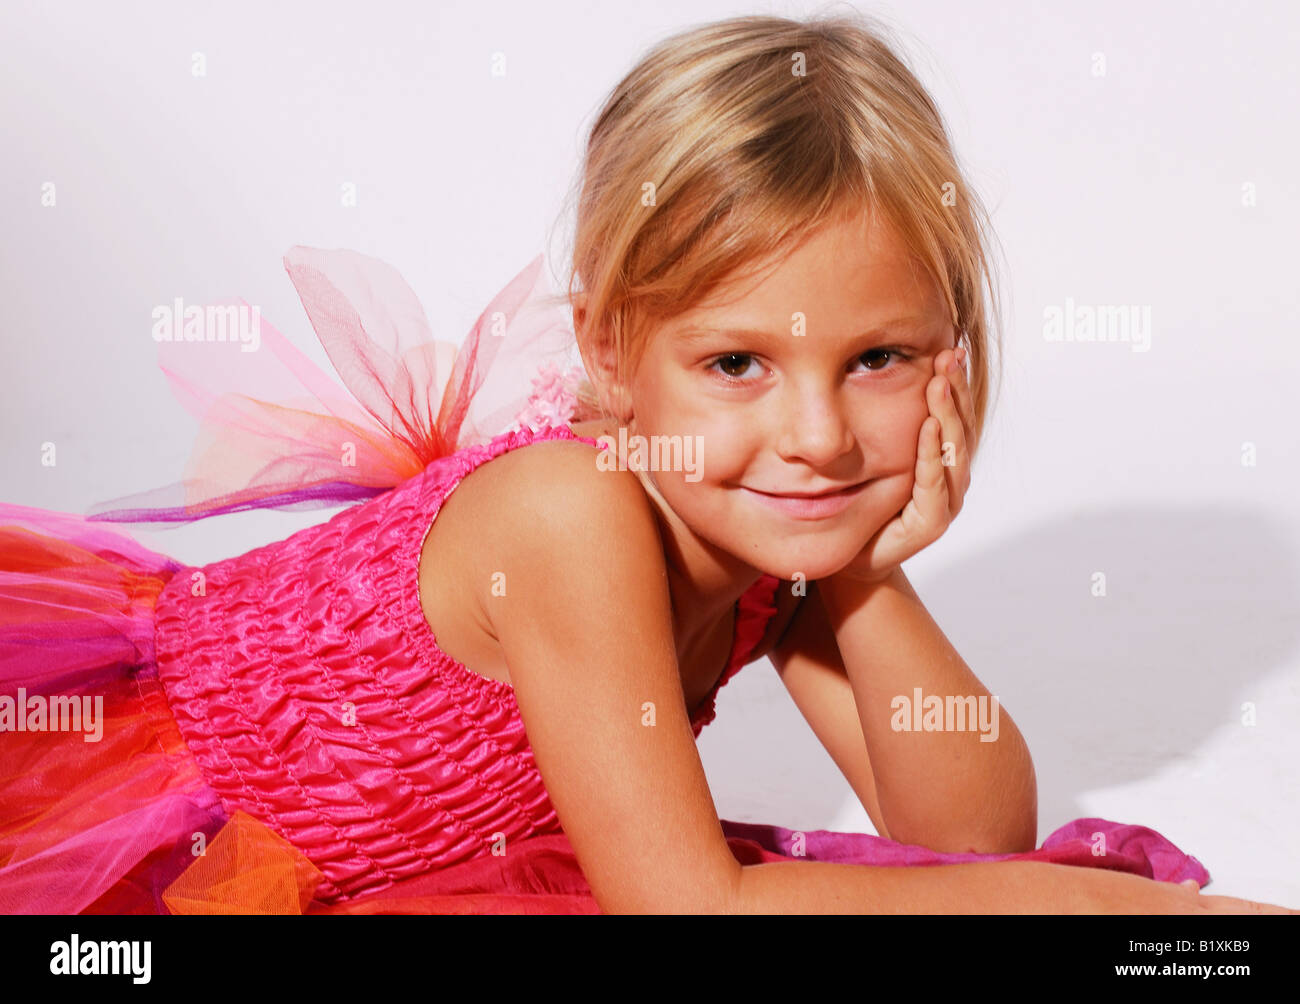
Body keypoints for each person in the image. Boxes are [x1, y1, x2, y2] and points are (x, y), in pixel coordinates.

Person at [1, 13, 1292, 915]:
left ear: (954, 351)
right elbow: (687, 905)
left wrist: (869, 574)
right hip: (129, 822)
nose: (818, 438)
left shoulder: (767, 539)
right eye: (737, 364)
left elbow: (962, 838)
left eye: (880, 358)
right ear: (611, 355)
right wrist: (1068, 913)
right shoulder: (569, 512)